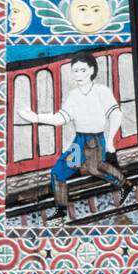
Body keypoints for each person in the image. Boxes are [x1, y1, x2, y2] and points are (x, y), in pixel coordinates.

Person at [18, 51, 123, 218]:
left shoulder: (101, 91)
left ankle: (125, 184)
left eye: (82, 70)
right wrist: (36, 117)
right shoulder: (74, 95)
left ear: (91, 70)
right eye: (75, 70)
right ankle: (61, 209)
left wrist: (110, 141)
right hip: (79, 141)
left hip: (95, 140)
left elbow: (116, 114)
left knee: (94, 168)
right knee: (58, 171)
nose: (78, 74)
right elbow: (61, 118)